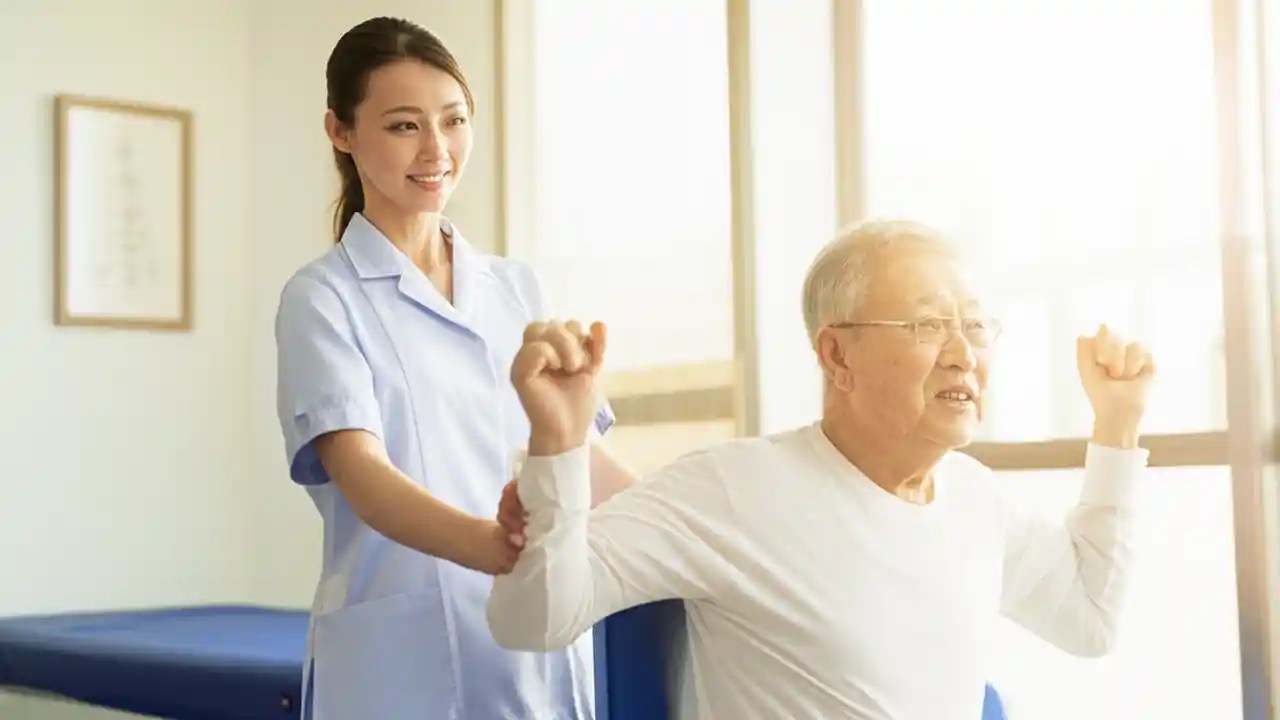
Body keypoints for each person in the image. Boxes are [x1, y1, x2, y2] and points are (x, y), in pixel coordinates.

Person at [488, 220, 1155, 720]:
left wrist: (1117, 429)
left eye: (976, 327)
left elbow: (1087, 618)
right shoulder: (732, 491)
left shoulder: (973, 498)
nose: (963, 354)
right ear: (837, 357)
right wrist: (559, 441)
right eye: (927, 327)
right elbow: (533, 619)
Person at [273, 16, 635, 720]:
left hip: (535, 646)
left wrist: (697, 521)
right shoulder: (322, 298)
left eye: (454, 120)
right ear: (340, 133)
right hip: (403, 669)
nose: (437, 149)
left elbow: (580, 457)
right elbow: (365, 475)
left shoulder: (517, 288)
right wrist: (492, 545)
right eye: (405, 126)